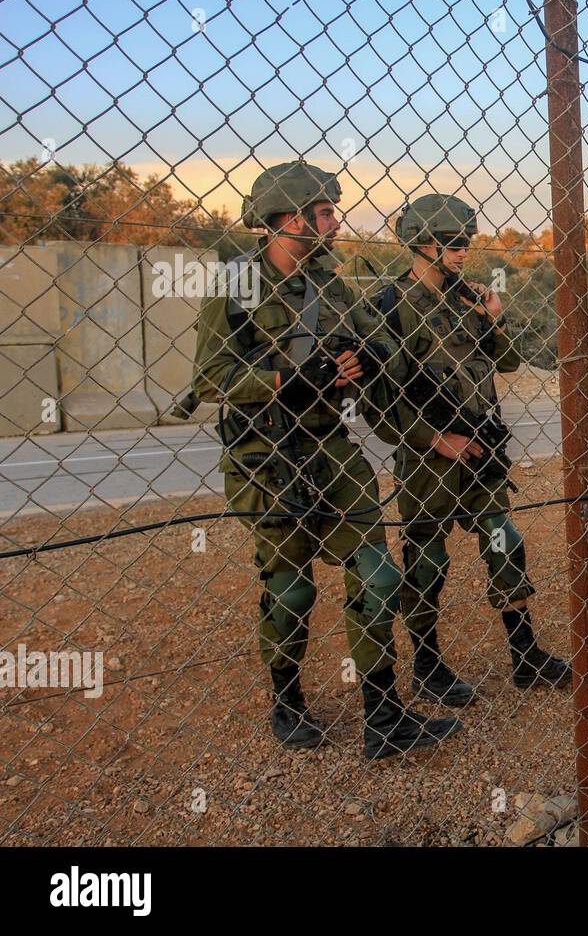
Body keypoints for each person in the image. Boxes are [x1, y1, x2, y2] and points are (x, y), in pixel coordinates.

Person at [191, 161, 463, 759]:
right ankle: (286, 701)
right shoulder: (236, 284)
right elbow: (209, 379)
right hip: (268, 454)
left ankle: (384, 716)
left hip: (331, 448)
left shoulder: (328, 284)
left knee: (379, 574)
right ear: (289, 217)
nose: (335, 222)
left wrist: (361, 357)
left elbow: (382, 343)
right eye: (324, 212)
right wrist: (290, 375)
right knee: (290, 591)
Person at [367, 192, 571, 707]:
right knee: (427, 563)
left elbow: (506, 365)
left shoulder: (468, 298)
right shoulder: (389, 308)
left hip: (481, 450)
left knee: (506, 541)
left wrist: (495, 317)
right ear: (422, 244)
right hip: (429, 460)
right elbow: (378, 402)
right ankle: (429, 663)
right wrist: (436, 439)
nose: (462, 254)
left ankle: (524, 655)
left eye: (466, 244)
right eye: (452, 245)